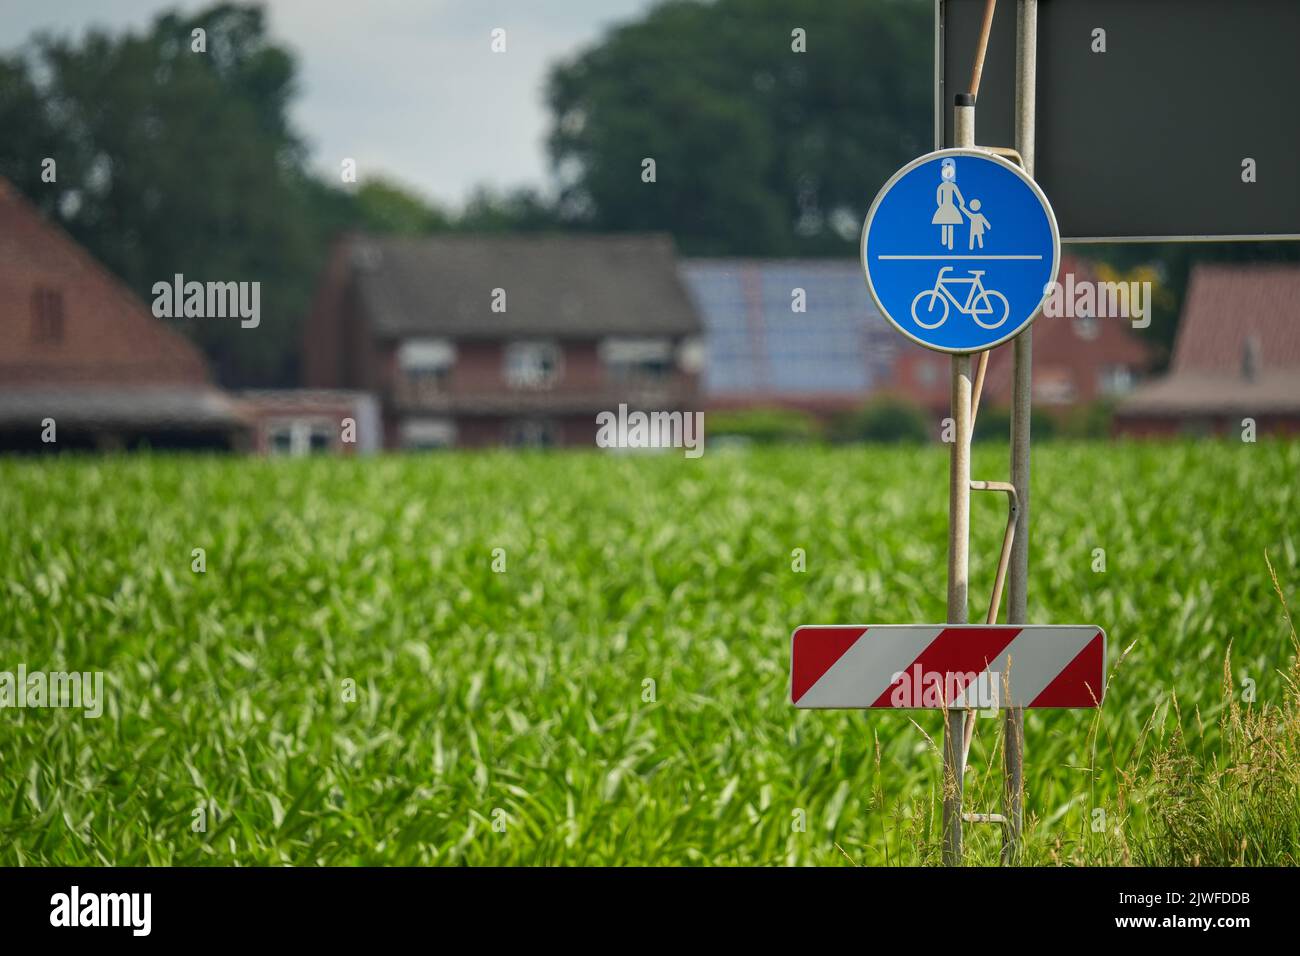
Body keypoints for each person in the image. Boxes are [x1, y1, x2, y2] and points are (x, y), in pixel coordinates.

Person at [932, 159, 965, 250]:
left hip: (949, 206)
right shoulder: (941, 186)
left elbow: (958, 195)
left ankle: (950, 244)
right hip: (944, 206)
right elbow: (938, 197)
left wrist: (961, 202)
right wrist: (940, 205)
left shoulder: (953, 186)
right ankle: (944, 242)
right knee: (944, 223)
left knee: (950, 224)